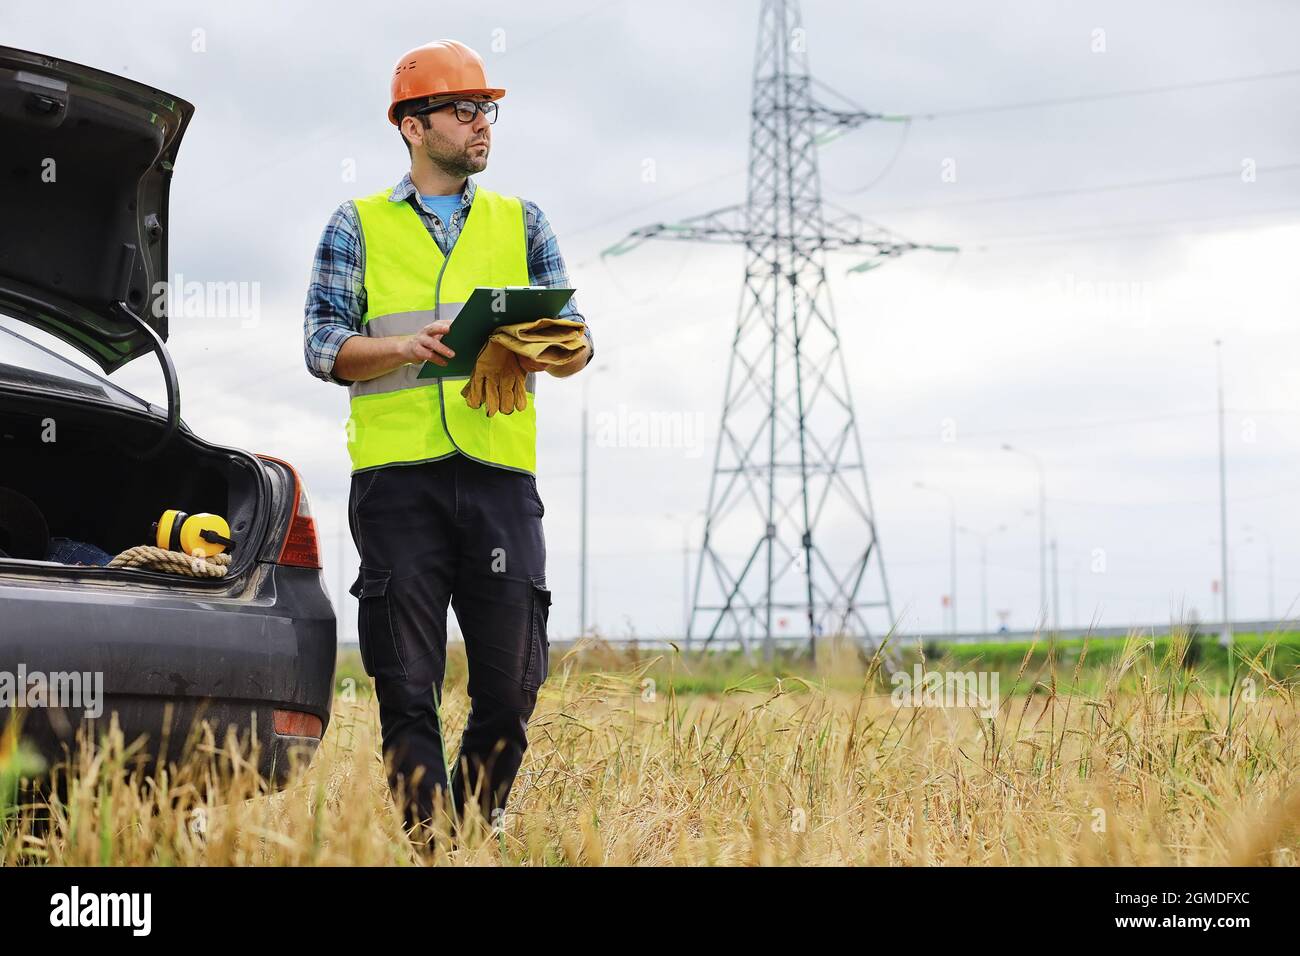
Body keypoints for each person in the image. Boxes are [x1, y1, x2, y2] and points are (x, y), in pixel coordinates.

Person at [302, 39, 592, 843]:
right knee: (406, 684)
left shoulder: (522, 221)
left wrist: (534, 345)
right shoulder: (355, 224)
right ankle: (431, 847)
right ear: (411, 124)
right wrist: (400, 348)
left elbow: (578, 337)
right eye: (463, 110)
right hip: (398, 485)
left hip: (499, 478)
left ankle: (467, 826)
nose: (481, 126)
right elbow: (322, 345)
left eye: (486, 111)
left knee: (510, 686)